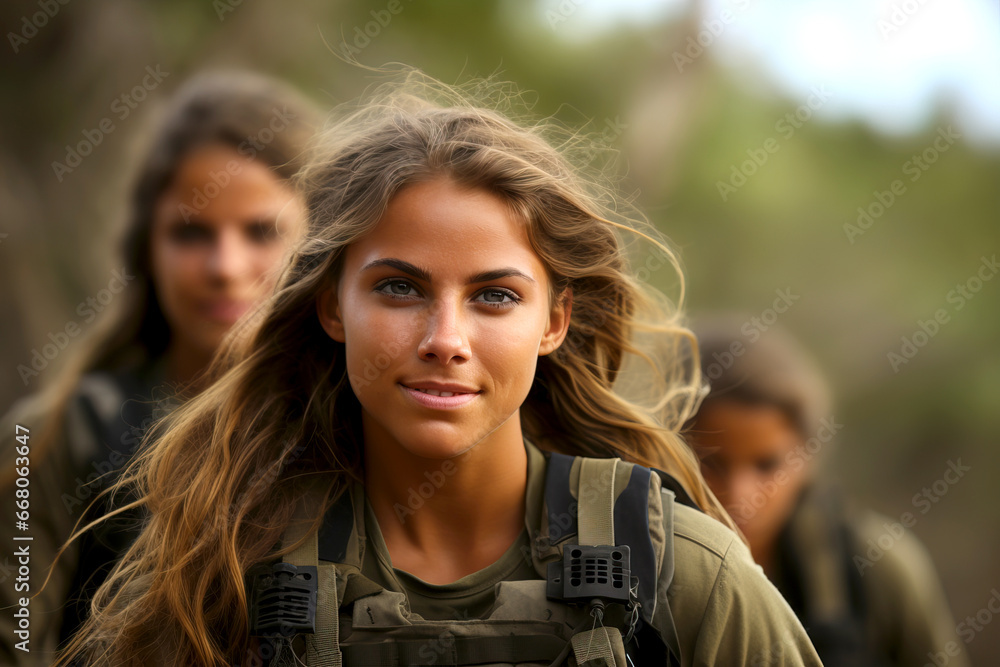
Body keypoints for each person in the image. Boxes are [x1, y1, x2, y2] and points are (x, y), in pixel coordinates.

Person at [57, 72, 823, 666]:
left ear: (554, 321)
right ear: (331, 307)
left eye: (494, 296)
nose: (445, 337)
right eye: (399, 288)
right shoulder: (226, 566)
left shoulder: (683, 578)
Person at [0, 70, 321, 666]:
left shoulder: (366, 426)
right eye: (191, 231)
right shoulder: (51, 437)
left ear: (321, 241)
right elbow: (16, 639)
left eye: (261, 231)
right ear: (147, 248)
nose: (226, 266)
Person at [685, 315, 968, 667]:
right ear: (669, 453)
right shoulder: (640, 568)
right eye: (711, 463)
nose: (742, 494)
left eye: (767, 465)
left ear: (807, 459)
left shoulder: (877, 568)